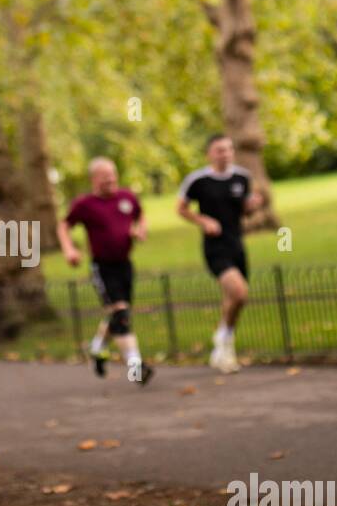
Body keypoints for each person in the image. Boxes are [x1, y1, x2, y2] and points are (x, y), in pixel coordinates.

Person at [58, 157, 153, 385]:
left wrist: (140, 230)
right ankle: (135, 367)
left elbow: (141, 214)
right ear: (94, 179)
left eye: (113, 174)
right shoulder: (85, 204)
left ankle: (97, 348)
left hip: (125, 264)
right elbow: (64, 225)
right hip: (102, 267)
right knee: (120, 315)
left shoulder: (127, 198)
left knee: (119, 314)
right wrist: (69, 250)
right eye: (105, 176)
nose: (110, 179)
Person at [176, 134, 265, 373]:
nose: (225, 154)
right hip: (215, 247)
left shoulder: (242, 177)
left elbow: (244, 210)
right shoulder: (198, 180)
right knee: (239, 292)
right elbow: (181, 208)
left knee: (235, 299)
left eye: (228, 149)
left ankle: (224, 346)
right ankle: (223, 341)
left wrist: (252, 206)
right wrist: (202, 220)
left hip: (237, 244)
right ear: (210, 154)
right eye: (219, 150)